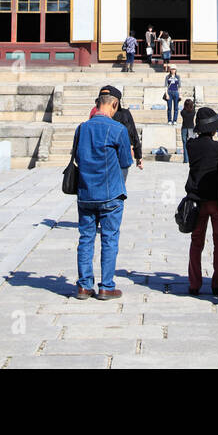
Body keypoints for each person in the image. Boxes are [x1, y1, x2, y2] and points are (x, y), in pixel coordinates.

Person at [73, 92, 133, 299]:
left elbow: (77, 157)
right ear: (114, 104)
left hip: (86, 192)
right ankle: (106, 286)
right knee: (109, 239)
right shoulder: (118, 129)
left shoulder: (82, 129)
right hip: (111, 193)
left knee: (86, 238)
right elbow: (126, 161)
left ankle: (84, 286)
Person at [185, 106, 218, 297]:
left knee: (196, 242)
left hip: (197, 201)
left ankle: (194, 283)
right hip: (217, 201)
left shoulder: (191, 146)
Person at [97, 85, 143, 172]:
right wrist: (138, 155)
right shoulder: (122, 125)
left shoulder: (84, 126)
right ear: (115, 104)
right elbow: (133, 134)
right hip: (119, 160)